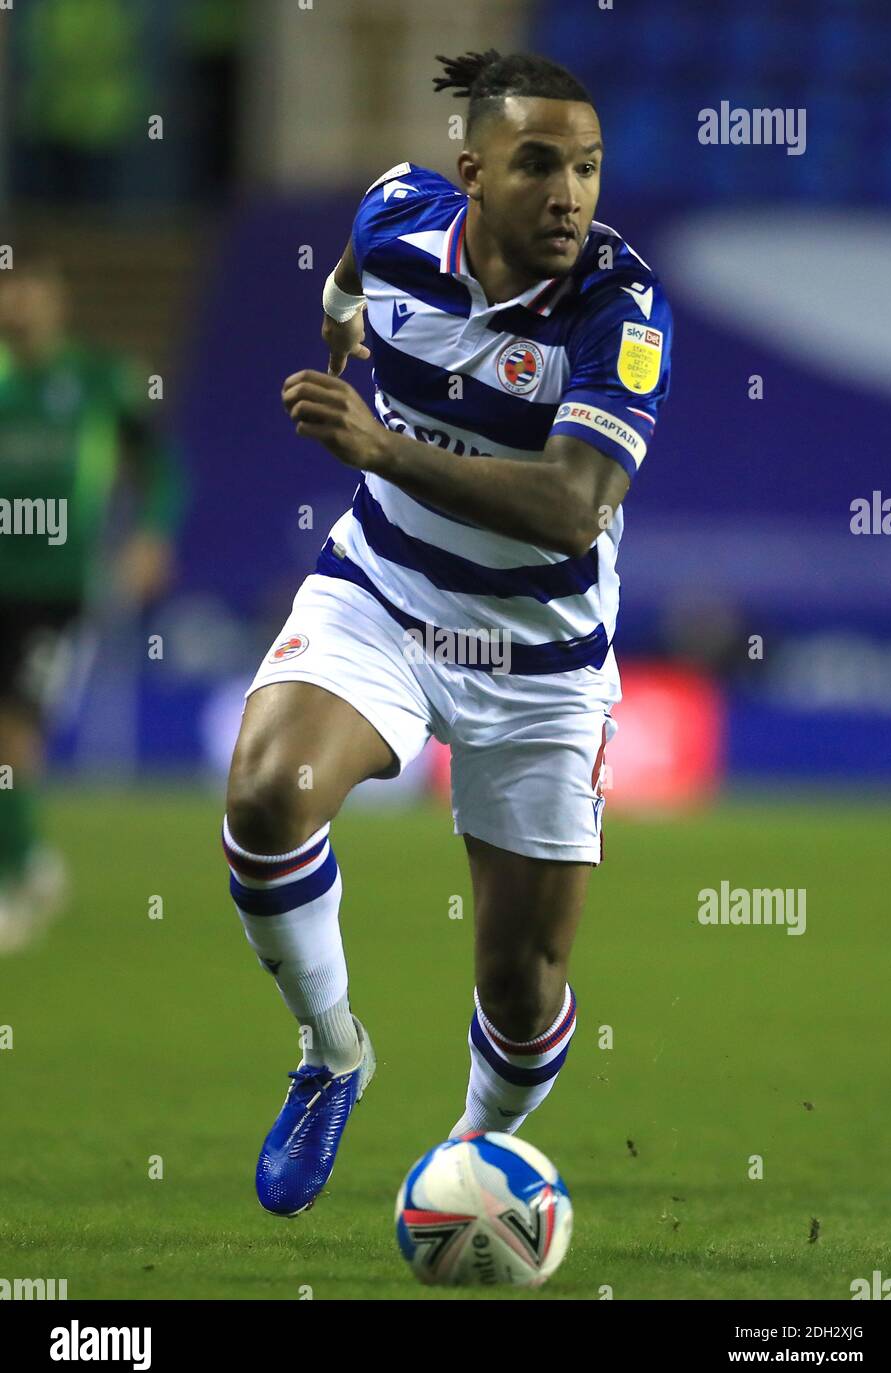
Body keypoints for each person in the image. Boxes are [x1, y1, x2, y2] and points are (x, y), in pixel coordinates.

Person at [224, 50, 673, 1217]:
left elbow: (574, 506)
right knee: (267, 795)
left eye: (587, 167)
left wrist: (380, 445)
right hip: (385, 596)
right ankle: (332, 1053)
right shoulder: (397, 218)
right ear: (471, 171)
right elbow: (348, 268)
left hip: (540, 657)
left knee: (521, 986)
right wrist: (337, 328)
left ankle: (470, 1157)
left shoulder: (619, 309)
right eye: (539, 165)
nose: (571, 192)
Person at [0, 252, 182, 952]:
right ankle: (34, 865)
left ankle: (20, 877)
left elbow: (163, 466)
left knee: (15, 732)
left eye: (29, 292)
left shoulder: (98, 381)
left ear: (55, 301)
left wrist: (150, 535)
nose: (19, 306)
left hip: (52, 591)